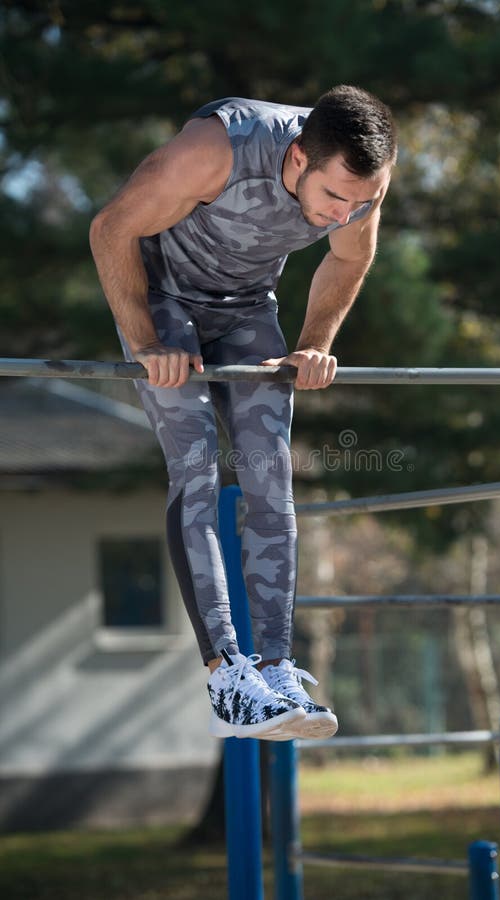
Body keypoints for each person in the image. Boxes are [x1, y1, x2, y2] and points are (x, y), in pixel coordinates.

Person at [89, 85, 397, 741]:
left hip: (246, 308)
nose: (344, 213)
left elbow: (350, 258)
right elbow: (111, 227)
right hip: (162, 298)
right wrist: (146, 342)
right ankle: (226, 674)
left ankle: (276, 667)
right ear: (296, 159)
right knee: (198, 466)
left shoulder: (365, 178)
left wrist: (315, 344)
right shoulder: (215, 151)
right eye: (333, 199)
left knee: (268, 474)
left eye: (359, 202)